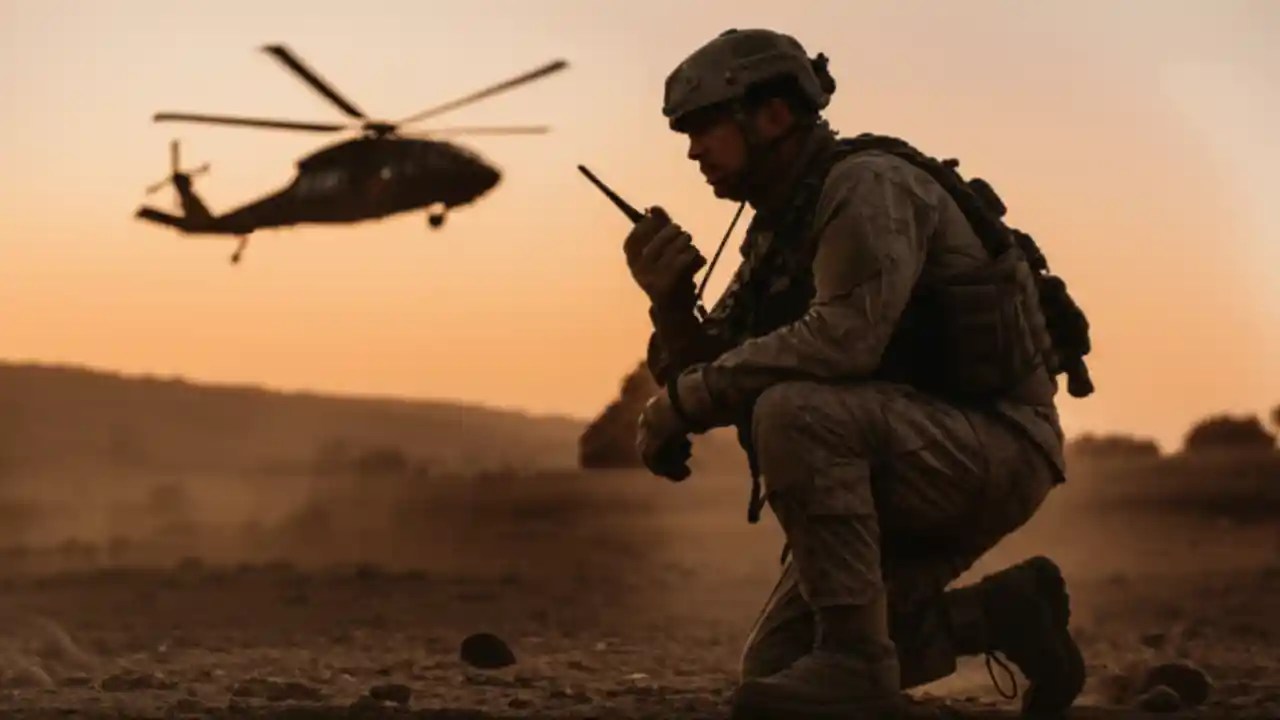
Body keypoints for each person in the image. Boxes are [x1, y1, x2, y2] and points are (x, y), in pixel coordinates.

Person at [624, 28, 1092, 720]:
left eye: (705, 127)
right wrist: (668, 304)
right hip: (902, 453)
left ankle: (857, 666)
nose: (693, 150)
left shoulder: (866, 186)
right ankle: (1002, 616)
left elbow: (844, 343)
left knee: (794, 408)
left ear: (773, 115)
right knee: (776, 672)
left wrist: (681, 402)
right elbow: (722, 369)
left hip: (991, 447)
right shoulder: (779, 227)